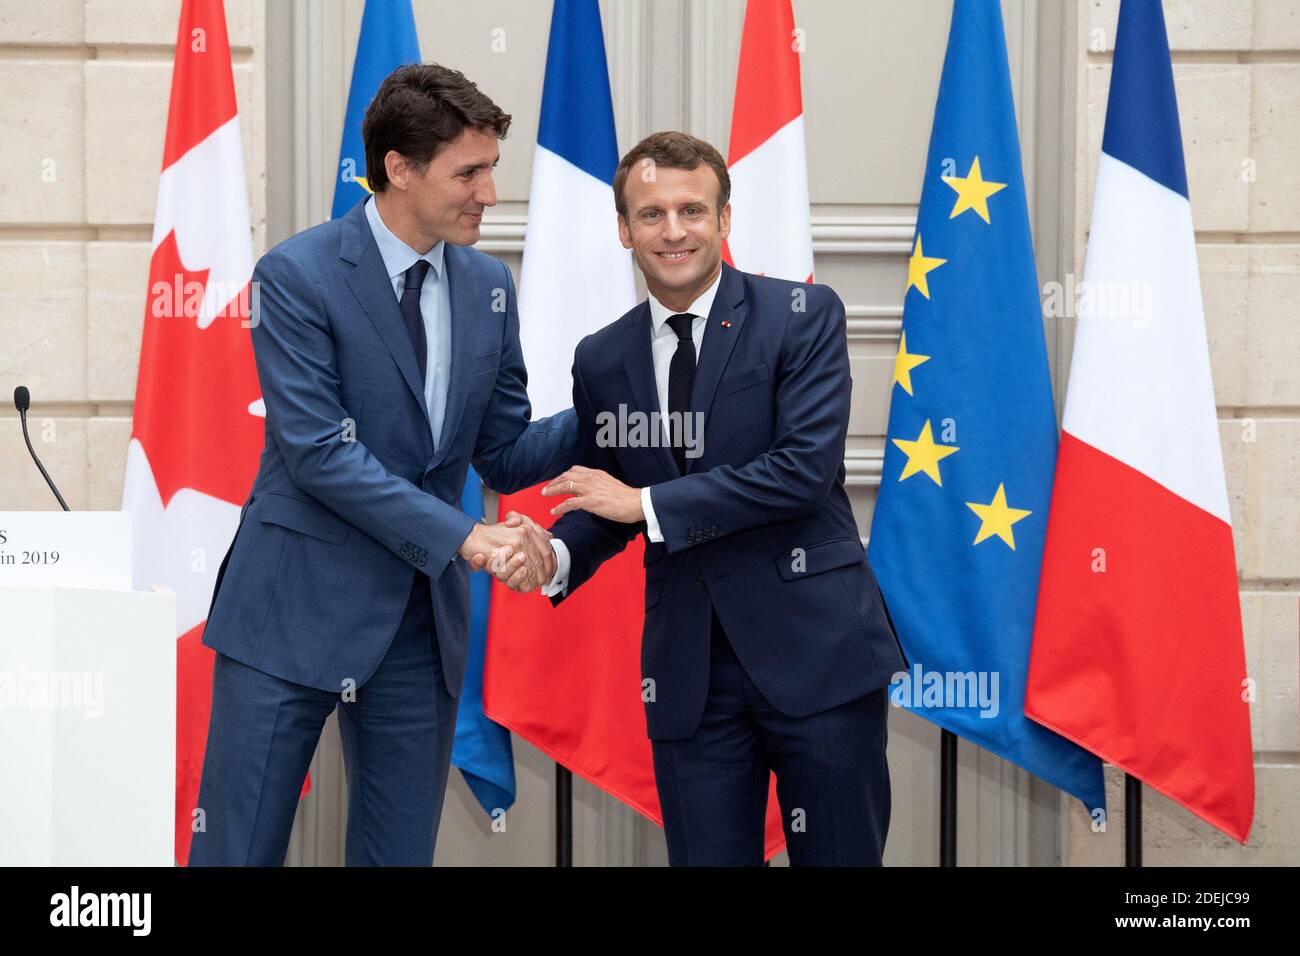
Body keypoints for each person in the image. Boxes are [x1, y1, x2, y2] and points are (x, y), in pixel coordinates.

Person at [189, 64, 564, 867]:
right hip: (290, 610)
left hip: (416, 629)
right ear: (399, 168)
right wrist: (470, 538)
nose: (490, 194)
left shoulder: (490, 286)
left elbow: (500, 450)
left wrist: (614, 401)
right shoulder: (298, 275)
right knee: (236, 851)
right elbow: (321, 453)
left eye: (492, 168)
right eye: (470, 171)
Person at [506, 131, 908, 866]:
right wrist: (557, 556)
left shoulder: (803, 316)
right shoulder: (602, 356)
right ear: (624, 229)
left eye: (692, 210)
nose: (673, 231)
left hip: (815, 655)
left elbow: (801, 472)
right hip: (689, 675)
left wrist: (648, 505)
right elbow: (606, 495)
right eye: (651, 214)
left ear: (725, 220)